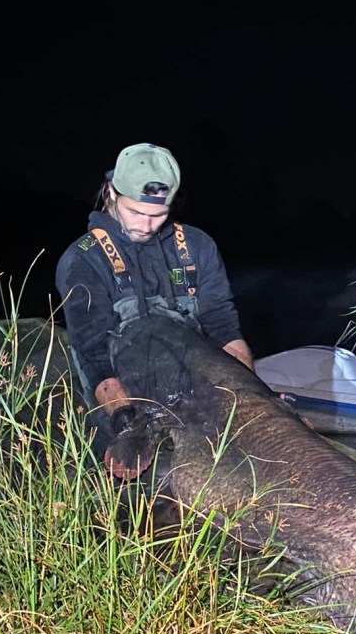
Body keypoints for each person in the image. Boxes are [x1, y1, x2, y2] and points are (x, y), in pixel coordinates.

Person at [55, 142, 253, 480]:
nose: (147, 226)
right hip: (121, 396)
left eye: (157, 215)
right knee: (141, 480)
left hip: (197, 390)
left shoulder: (197, 245)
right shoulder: (83, 259)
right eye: (136, 213)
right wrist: (126, 422)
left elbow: (224, 326)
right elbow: (92, 353)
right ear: (111, 192)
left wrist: (251, 401)